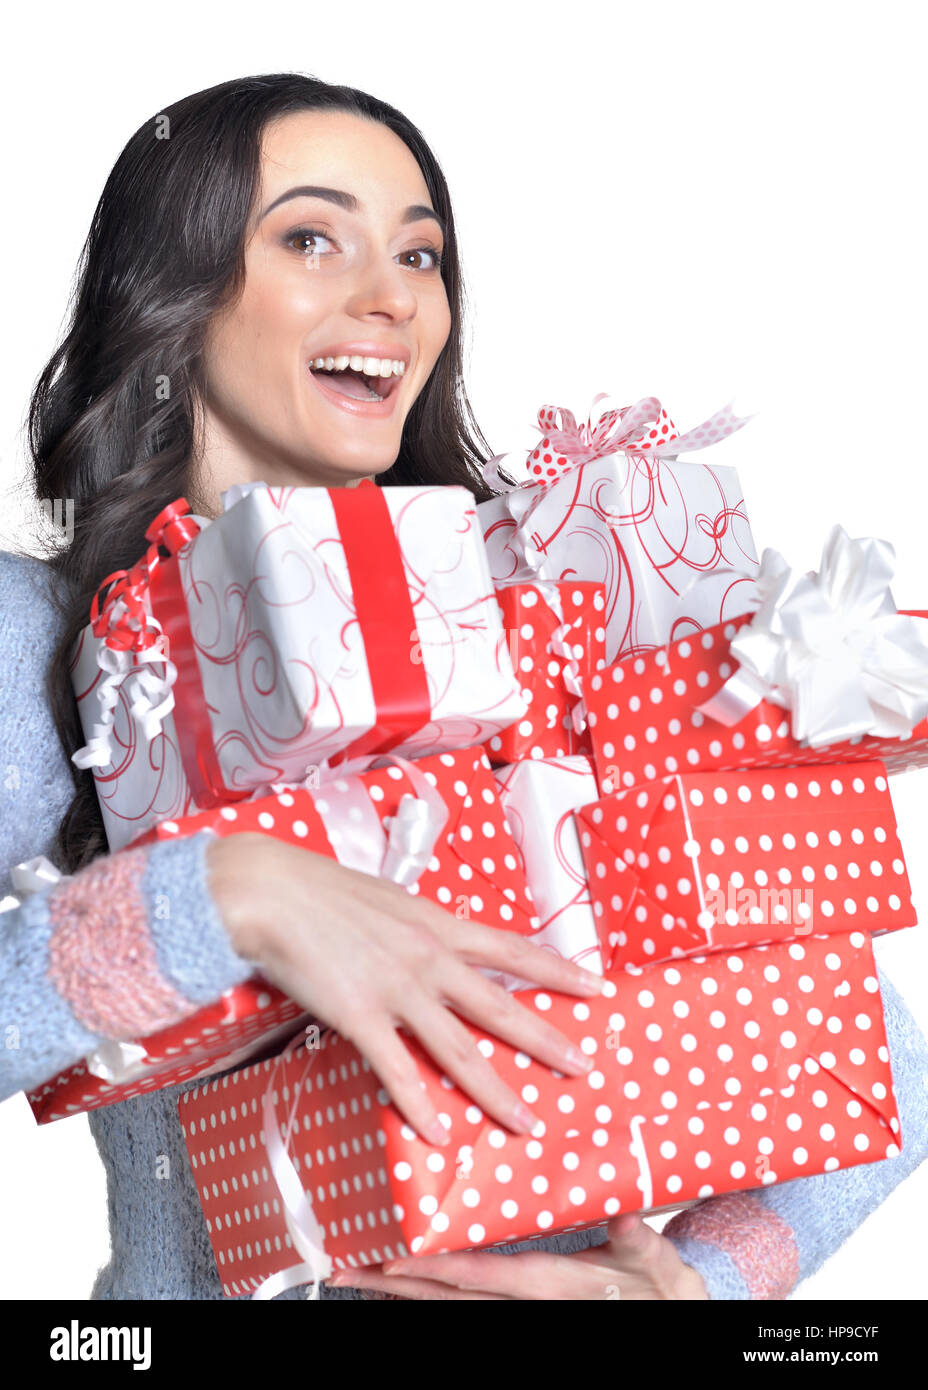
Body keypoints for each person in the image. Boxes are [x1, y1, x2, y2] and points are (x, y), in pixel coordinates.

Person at [1, 72, 926, 1302]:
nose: (390, 298)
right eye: (311, 238)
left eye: (422, 255)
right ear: (175, 290)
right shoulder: (44, 633)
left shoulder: (529, 605)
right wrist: (219, 891)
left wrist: (692, 1285)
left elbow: (882, 1058)